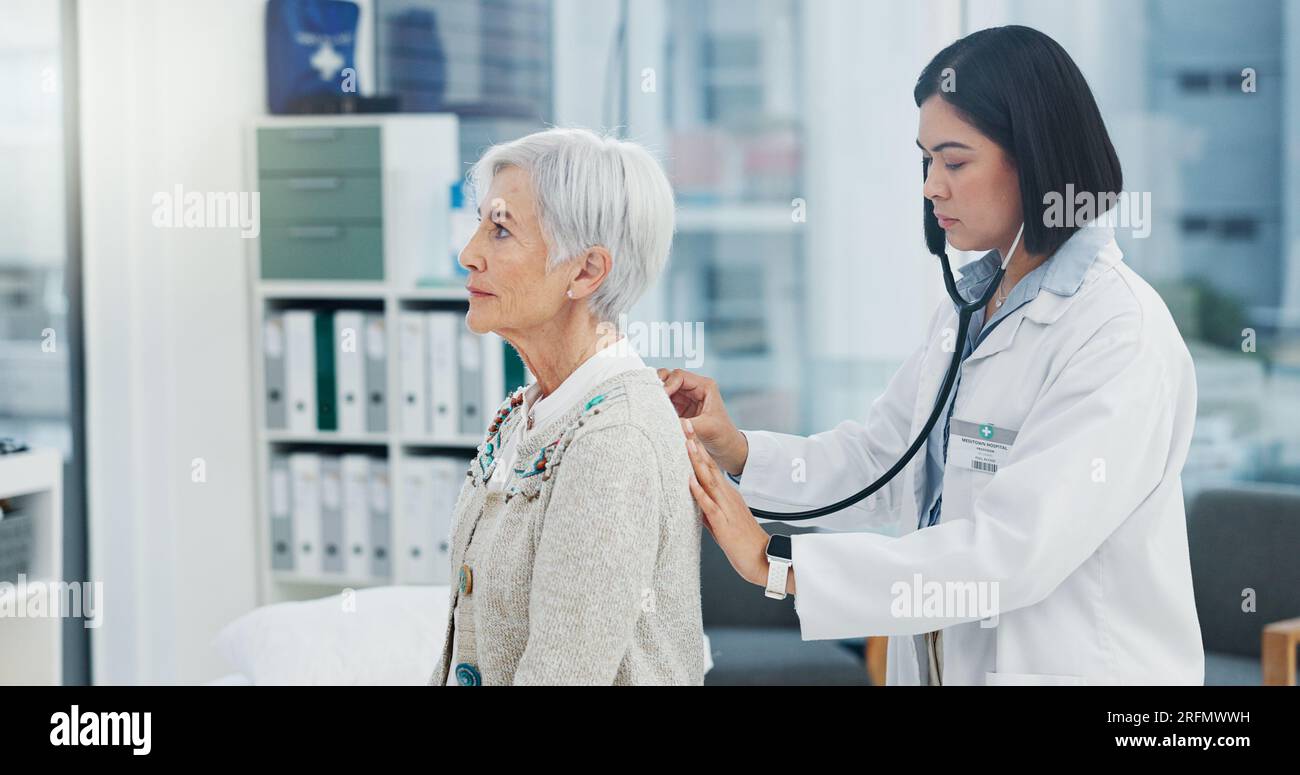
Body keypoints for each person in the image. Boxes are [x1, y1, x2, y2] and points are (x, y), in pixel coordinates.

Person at [666, 25, 1203, 685]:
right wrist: (737, 448)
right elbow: (880, 461)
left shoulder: (1118, 331)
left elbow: (1013, 551)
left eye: (955, 161)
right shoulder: (970, 309)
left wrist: (784, 568)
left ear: (1033, 158)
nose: (930, 186)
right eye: (925, 160)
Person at [430, 128, 704, 686]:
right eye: (481, 222)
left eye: (500, 230)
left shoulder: (613, 442)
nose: (469, 253)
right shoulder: (523, 415)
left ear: (585, 272)